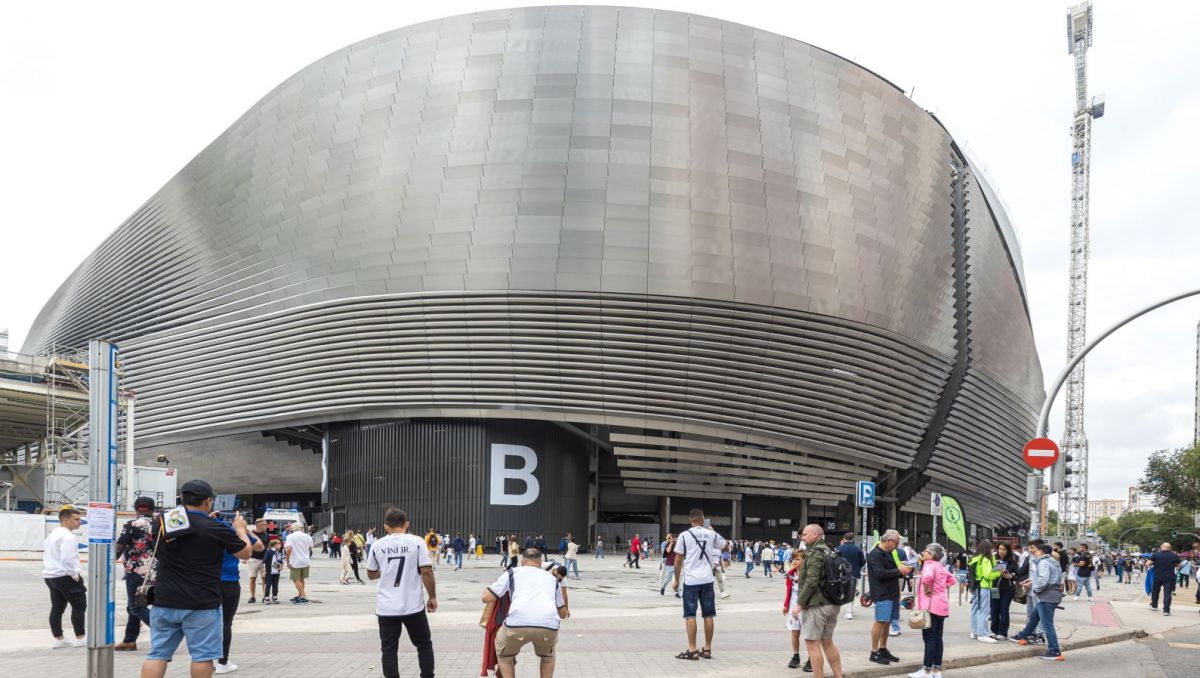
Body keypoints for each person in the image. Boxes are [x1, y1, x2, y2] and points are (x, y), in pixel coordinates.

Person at [140, 479, 253, 678]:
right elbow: (245, 553)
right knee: (202, 656)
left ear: (182, 499)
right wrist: (241, 529)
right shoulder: (215, 526)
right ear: (208, 501)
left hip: (165, 598)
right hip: (202, 602)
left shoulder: (162, 521)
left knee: (157, 653)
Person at [367, 508, 437, 678]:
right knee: (423, 644)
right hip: (412, 605)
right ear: (407, 524)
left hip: (387, 607)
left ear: (386, 527)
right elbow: (426, 571)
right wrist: (432, 597)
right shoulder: (418, 542)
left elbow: (370, 574)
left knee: (389, 648)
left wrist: (384, 572)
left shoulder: (377, 545)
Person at [483, 548, 569, 678]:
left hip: (516, 625)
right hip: (548, 626)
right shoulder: (553, 579)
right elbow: (562, 614)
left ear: (522, 561)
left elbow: (487, 598)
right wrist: (566, 610)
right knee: (547, 657)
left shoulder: (512, 573)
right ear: (540, 563)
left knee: (504, 655)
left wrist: (487, 591)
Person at [671, 508, 728, 660]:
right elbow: (726, 545)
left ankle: (692, 649)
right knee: (708, 615)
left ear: (690, 520)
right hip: (707, 580)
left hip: (691, 581)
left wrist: (676, 580)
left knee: (690, 615)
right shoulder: (711, 534)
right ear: (703, 520)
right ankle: (707, 649)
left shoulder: (684, 535)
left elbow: (678, 560)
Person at [213, 511, 263, 674]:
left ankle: (207, 658)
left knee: (207, 622)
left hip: (207, 582)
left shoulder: (207, 528)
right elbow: (259, 546)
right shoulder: (233, 532)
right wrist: (244, 529)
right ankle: (222, 662)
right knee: (226, 623)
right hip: (228, 582)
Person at [795, 524, 843, 678]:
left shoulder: (816, 553)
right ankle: (838, 676)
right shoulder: (828, 550)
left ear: (815, 535)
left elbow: (811, 581)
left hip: (817, 605)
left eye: (805, 534)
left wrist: (800, 604)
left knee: (812, 644)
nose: (802, 537)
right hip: (832, 603)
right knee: (827, 642)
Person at [1010, 540, 1065, 660]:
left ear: (1041, 551)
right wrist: (1032, 582)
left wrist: (1035, 590)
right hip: (1052, 595)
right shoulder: (1054, 562)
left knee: (1047, 625)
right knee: (1034, 618)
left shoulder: (1043, 563)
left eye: (1036, 550)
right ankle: (1022, 635)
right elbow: (1055, 580)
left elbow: (1043, 580)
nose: (1034, 552)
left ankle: (1054, 651)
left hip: (1046, 596)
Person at [114, 497, 156, 651]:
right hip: (156, 572)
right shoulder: (160, 524)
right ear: (153, 508)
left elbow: (119, 546)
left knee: (136, 606)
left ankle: (164, 632)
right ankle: (129, 640)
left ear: (136, 508)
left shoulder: (131, 525)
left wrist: (110, 559)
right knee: (134, 605)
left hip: (136, 572)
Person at [910, 542, 956, 678]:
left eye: (925, 551)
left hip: (930, 607)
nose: (923, 552)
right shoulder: (940, 566)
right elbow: (952, 579)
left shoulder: (929, 565)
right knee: (938, 638)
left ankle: (926, 670)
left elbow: (927, 578)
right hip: (941, 606)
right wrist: (941, 589)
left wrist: (928, 589)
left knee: (929, 638)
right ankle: (936, 670)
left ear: (931, 555)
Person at [43, 506, 87, 648]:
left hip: (51, 575)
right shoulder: (68, 536)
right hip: (65, 575)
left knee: (57, 607)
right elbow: (67, 558)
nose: (79, 522)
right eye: (76, 519)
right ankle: (80, 638)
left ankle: (58, 638)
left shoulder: (53, 534)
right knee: (79, 605)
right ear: (65, 520)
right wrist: (74, 575)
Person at [867, 529, 910, 665]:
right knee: (880, 621)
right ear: (889, 541)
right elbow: (879, 573)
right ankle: (874, 652)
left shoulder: (890, 552)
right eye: (897, 542)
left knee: (887, 622)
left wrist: (902, 571)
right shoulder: (875, 554)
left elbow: (891, 571)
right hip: (882, 592)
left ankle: (883, 648)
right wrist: (898, 570)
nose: (897, 545)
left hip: (892, 592)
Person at [782, 548, 810, 671]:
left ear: (805, 561)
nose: (794, 561)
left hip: (806, 607)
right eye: (793, 559)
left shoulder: (809, 574)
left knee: (809, 635)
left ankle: (811, 658)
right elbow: (788, 591)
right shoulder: (791, 574)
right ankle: (796, 656)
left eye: (797, 559)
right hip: (793, 607)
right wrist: (785, 605)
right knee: (794, 632)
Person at [967, 539, 1000, 642]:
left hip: (976, 587)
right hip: (984, 586)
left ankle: (975, 631)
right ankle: (983, 634)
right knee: (984, 611)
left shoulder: (975, 558)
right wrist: (998, 572)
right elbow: (988, 574)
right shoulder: (985, 560)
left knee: (975, 610)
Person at [989, 542, 1018, 640]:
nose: (1001, 551)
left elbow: (1018, 576)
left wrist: (1011, 576)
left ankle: (1003, 632)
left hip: (1007, 589)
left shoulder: (1012, 562)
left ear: (1008, 551)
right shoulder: (993, 559)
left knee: (1004, 610)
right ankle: (994, 630)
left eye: (1004, 549)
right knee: (994, 610)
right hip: (994, 588)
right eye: (1000, 549)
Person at [836, 532, 865, 620]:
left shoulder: (840, 548)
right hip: (854, 574)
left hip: (842, 573)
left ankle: (845, 610)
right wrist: (858, 567)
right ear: (853, 539)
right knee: (851, 592)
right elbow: (863, 562)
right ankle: (850, 611)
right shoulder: (858, 549)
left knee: (843, 592)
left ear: (844, 539)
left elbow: (835, 560)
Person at [1148, 542, 1182, 616]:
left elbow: (1147, 564)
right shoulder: (1174, 555)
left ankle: (1154, 605)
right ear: (1170, 548)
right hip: (1169, 577)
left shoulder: (1156, 554)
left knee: (1155, 591)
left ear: (1161, 547)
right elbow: (1179, 565)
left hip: (1157, 576)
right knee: (1167, 593)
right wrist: (1173, 565)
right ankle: (1166, 610)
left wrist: (1155, 563)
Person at [263, 539, 284, 603]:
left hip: (277, 572)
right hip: (269, 571)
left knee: (275, 585)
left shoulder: (279, 552)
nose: (280, 545)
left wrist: (281, 565)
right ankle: (266, 598)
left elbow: (280, 560)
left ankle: (274, 597)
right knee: (268, 585)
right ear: (275, 545)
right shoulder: (269, 552)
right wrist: (264, 570)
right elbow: (265, 561)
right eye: (279, 543)